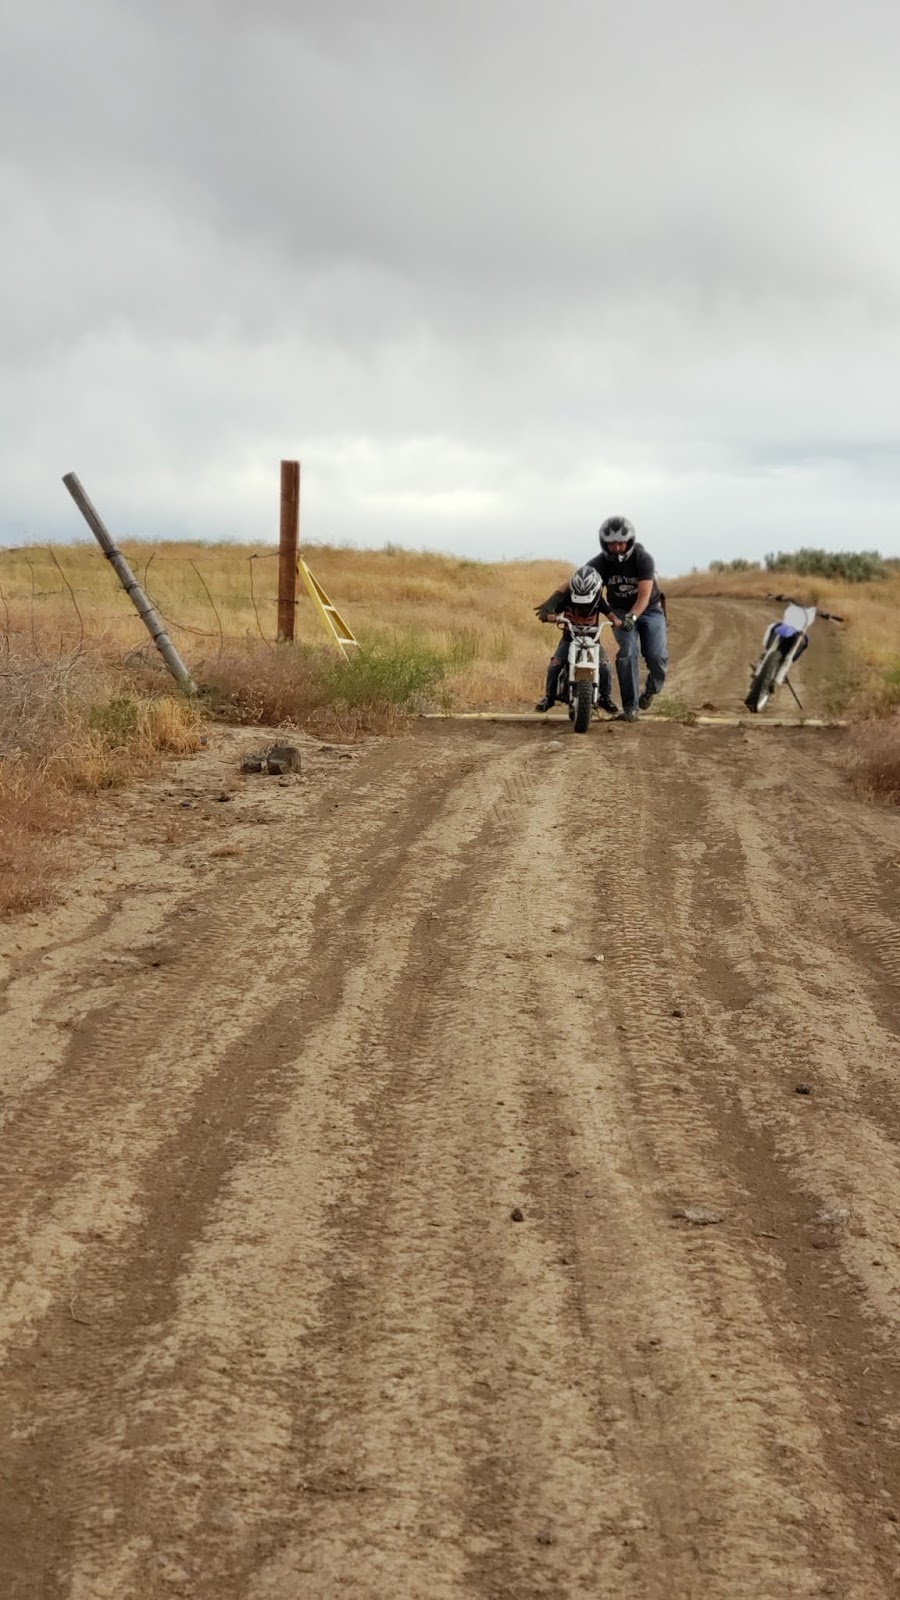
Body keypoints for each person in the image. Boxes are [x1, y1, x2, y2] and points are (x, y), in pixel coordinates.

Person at [587, 516, 668, 721]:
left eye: (621, 542)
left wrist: (633, 617)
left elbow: (644, 596)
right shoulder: (600, 563)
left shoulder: (643, 558)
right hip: (620, 610)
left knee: (656, 655)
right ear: (605, 543)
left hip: (649, 609)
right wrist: (555, 598)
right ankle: (631, 707)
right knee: (628, 652)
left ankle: (651, 690)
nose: (617, 547)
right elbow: (578, 579)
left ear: (629, 541)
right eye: (612, 543)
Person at [534, 565, 618, 714]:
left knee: (605, 666)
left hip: (593, 642)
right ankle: (550, 697)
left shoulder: (599, 600)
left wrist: (617, 621)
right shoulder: (566, 599)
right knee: (555, 665)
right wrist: (550, 616)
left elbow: (610, 614)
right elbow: (548, 613)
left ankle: (605, 697)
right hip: (569, 640)